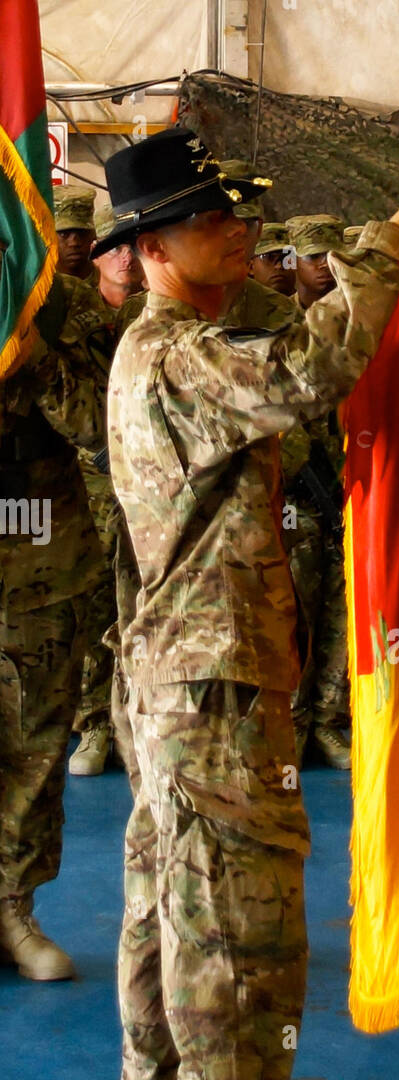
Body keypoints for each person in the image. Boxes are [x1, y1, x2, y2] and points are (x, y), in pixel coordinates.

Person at [99, 125, 399, 1080]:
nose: (234, 228)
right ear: (145, 249)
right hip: (213, 687)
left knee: (163, 917)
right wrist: (382, 254)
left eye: (234, 211)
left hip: (186, 675)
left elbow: (284, 352)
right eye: (205, 218)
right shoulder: (175, 356)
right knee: (239, 934)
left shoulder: (179, 342)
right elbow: (306, 372)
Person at [0, 267, 112, 976]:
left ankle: (13, 906)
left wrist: (35, 346)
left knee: (36, 744)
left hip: (41, 553)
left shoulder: (65, 305)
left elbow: (100, 426)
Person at [69, 207, 146, 776]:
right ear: (97, 254)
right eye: (115, 247)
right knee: (94, 604)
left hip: (151, 484)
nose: (126, 255)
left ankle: (140, 719)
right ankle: (95, 721)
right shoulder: (74, 314)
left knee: (149, 605)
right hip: (90, 485)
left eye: (134, 246)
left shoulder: (160, 315)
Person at [285, 213, 354, 769]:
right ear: (293, 261)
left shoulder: (354, 328)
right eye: (314, 258)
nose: (325, 269)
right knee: (292, 621)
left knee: (342, 617)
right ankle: (290, 724)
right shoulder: (278, 325)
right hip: (294, 502)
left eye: (333, 257)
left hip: (348, 493)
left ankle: (330, 722)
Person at [53, 189, 98, 282]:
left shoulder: (110, 281)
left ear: (93, 235)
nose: (74, 243)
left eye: (82, 232)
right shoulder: (37, 289)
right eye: (64, 234)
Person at [250, 223, 297, 297]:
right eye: (268, 257)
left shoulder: (316, 306)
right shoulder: (235, 306)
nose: (279, 266)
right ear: (251, 266)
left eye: (286, 257)